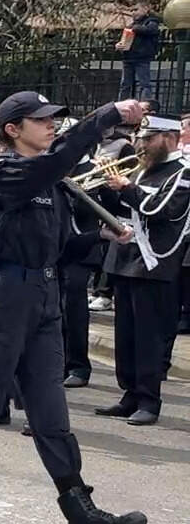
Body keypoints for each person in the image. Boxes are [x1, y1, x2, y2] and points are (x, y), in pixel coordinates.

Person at [0, 93, 150, 524]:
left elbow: (59, 246)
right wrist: (105, 116)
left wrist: (99, 237)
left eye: (54, 121)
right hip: (3, 297)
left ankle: (80, 512)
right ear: (12, 129)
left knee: (50, 411)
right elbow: (57, 161)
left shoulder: (51, 181)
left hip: (44, 298)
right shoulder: (4, 172)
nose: (51, 127)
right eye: (41, 121)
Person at [95, 115, 188, 425]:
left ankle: (149, 399)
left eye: (148, 139)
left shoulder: (182, 173)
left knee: (149, 336)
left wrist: (126, 186)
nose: (141, 145)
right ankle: (130, 393)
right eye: (140, 138)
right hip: (124, 260)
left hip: (155, 264)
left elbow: (159, 210)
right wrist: (109, 188)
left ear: (169, 138)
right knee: (126, 336)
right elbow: (121, 210)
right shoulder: (141, 170)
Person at [117, 1, 162, 103]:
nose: (133, 13)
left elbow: (150, 30)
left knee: (144, 84)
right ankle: (122, 104)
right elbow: (123, 40)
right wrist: (119, 45)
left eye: (136, 9)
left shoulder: (151, 22)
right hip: (128, 58)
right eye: (131, 10)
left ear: (145, 9)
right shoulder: (131, 25)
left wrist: (135, 28)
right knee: (125, 84)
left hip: (142, 58)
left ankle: (146, 104)